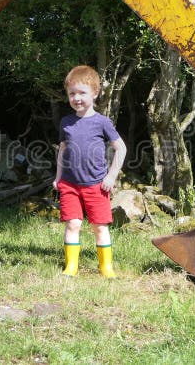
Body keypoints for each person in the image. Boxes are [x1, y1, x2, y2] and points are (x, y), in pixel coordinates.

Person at [53, 65, 127, 278]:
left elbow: (120, 148)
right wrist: (58, 178)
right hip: (70, 184)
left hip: (97, 185)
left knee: (99, 227)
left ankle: (106, 267)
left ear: (95, 93)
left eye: (82, 93)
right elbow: (62, 151)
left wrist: (111, 176)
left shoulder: (102, 122)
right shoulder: (66, 122)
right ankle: (71, 266)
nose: (76, 98)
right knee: (73, 223)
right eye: (72, 94)